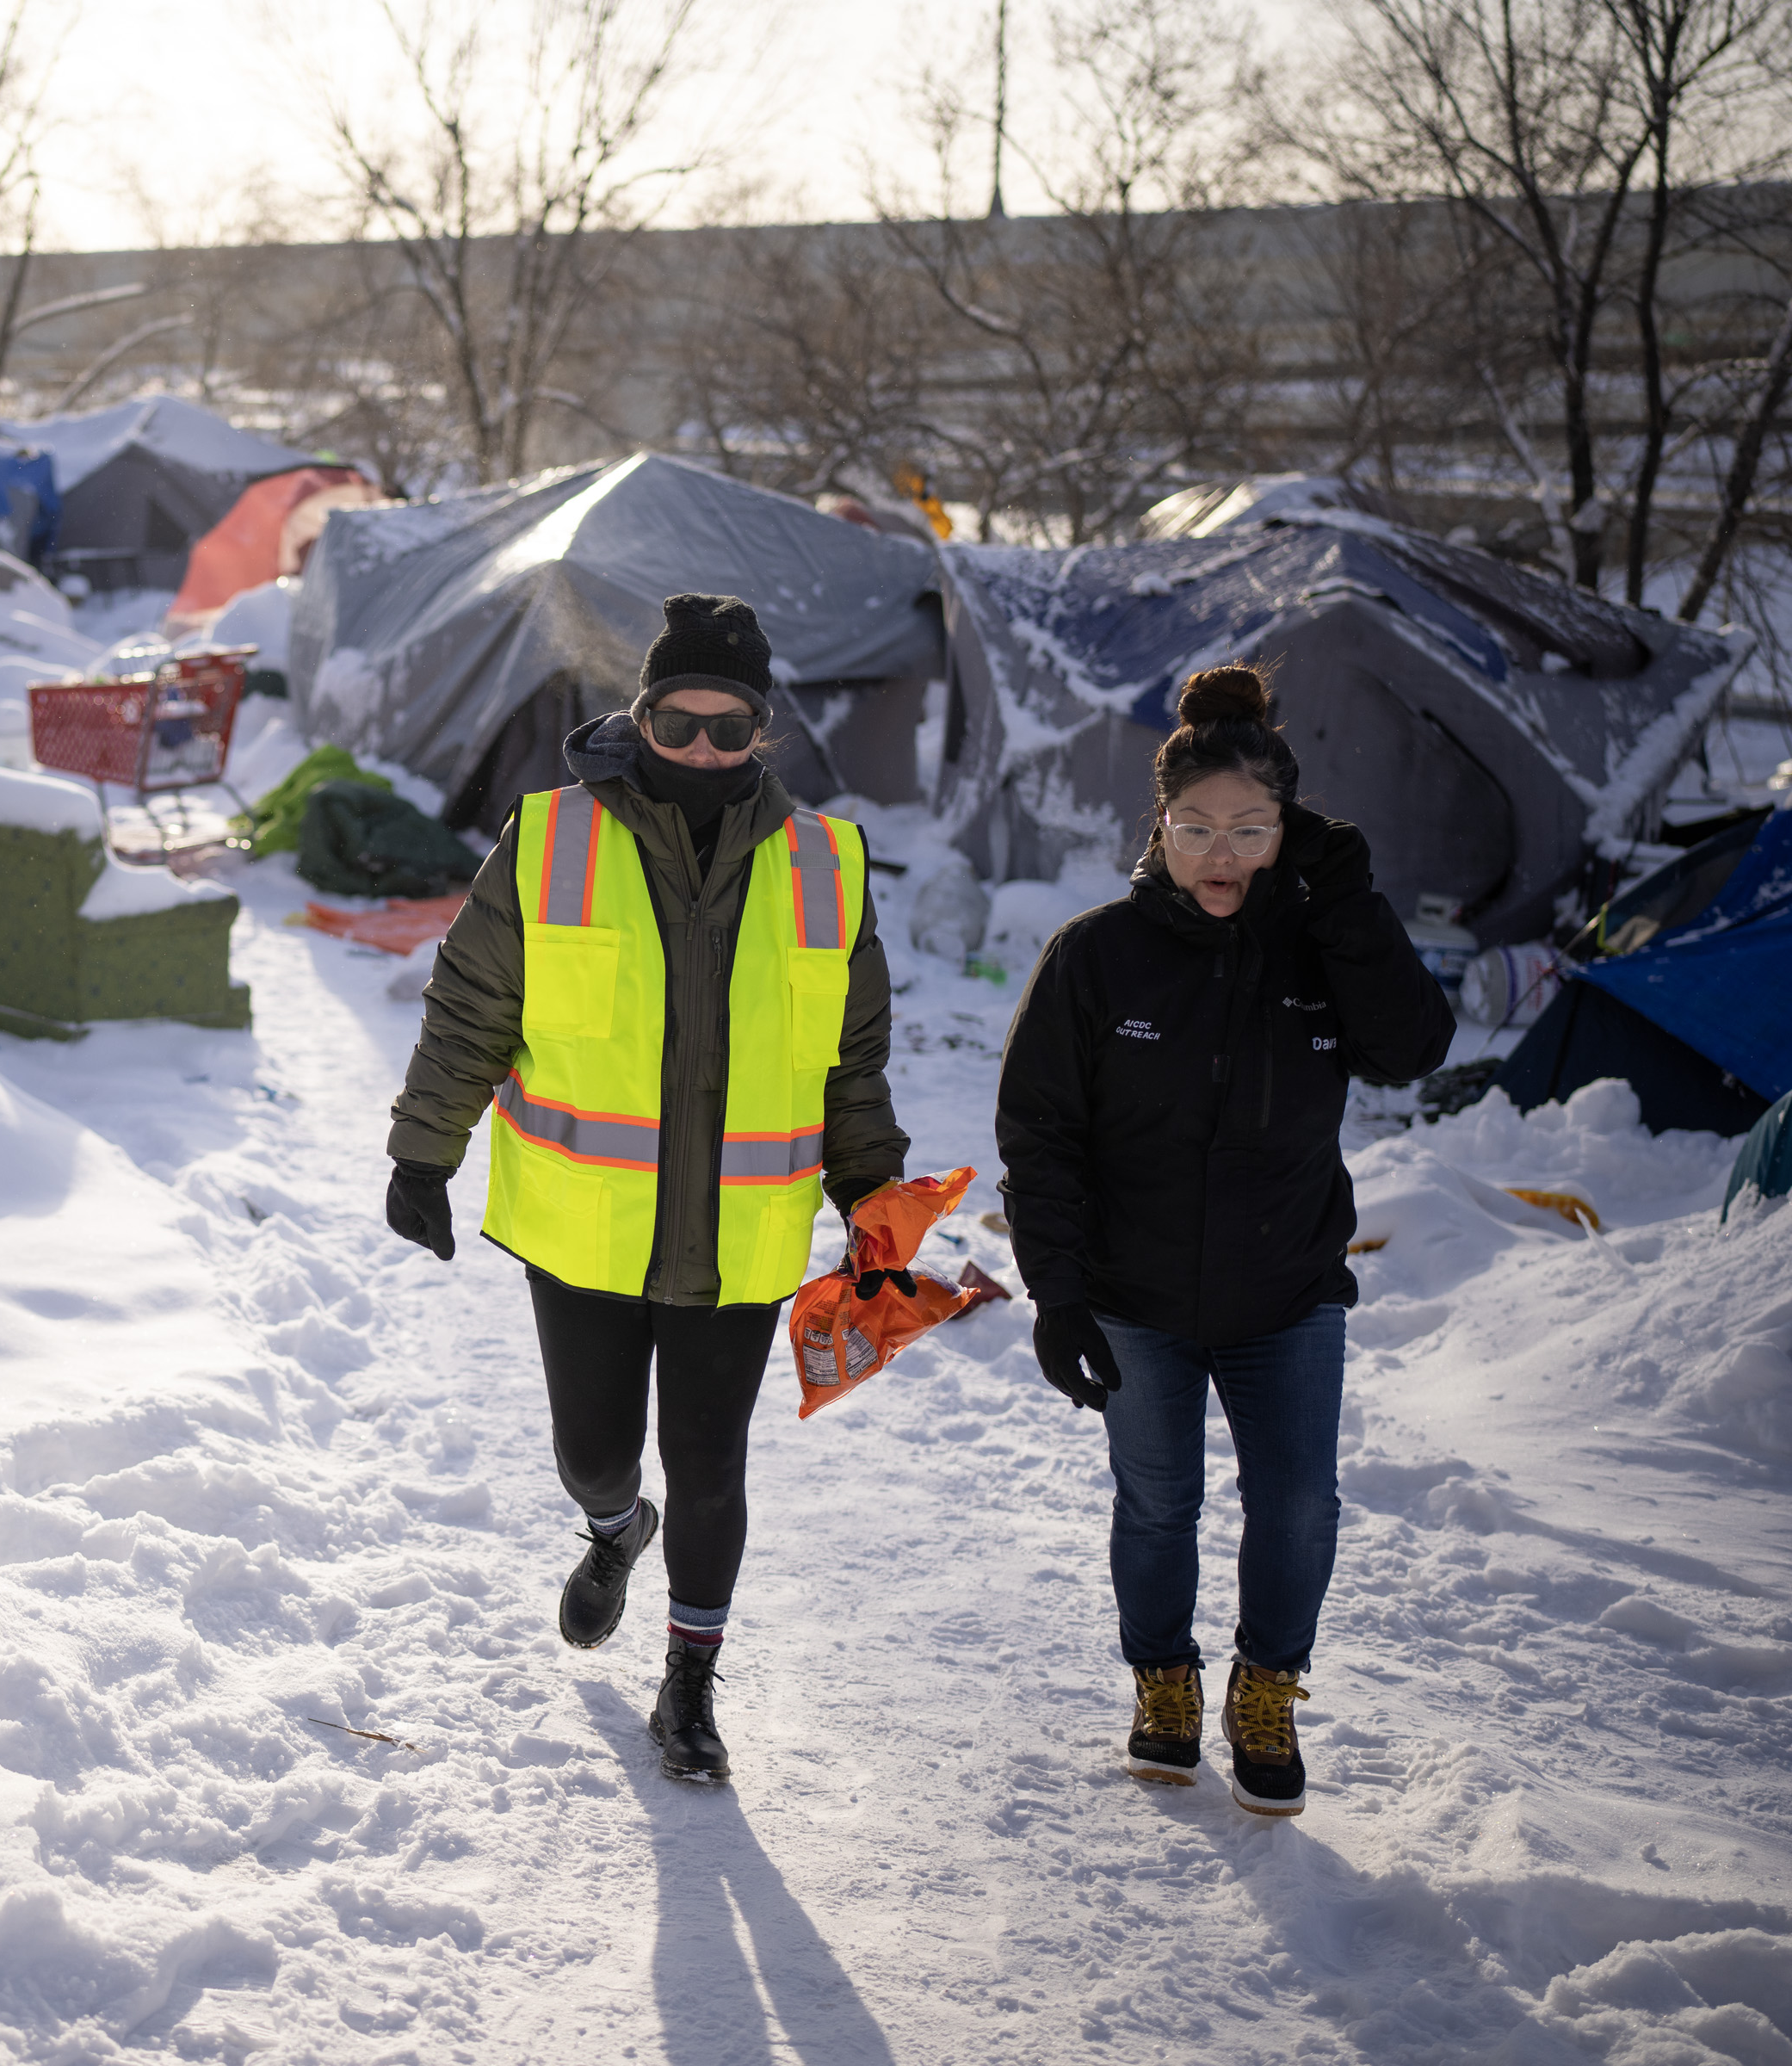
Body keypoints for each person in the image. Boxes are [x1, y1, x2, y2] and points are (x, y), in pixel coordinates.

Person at [385, 593, 909, 1784]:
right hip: (585, 1229)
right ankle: (617, 1529)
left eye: (733, 731)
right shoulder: (550, 838)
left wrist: (872, 1199)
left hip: (743, 1236)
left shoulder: (826, 864)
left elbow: (852, 1056)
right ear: (643, 714)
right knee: (594, 1451)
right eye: (681, 722)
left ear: (764, 733)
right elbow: (473, 1006)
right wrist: (424, 1151)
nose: (706, 751)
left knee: (711, 1457)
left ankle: (690, 1685)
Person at [995, 665, 1454, 1816]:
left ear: (1286, 831)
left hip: (1288, 1288)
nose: (1222, 854)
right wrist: (1057, 1297)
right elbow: (1039, 1133)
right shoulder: (1097, 956)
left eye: (1252, 830)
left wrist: (1347, 907)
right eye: (1197, 827)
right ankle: (1163, 1683)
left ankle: (1265, 1686)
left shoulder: (1317, 947)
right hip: (1136, 1296)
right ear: (1159, 825)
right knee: (1157, 1504)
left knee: (1300, 1505)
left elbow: (1411, 1049)